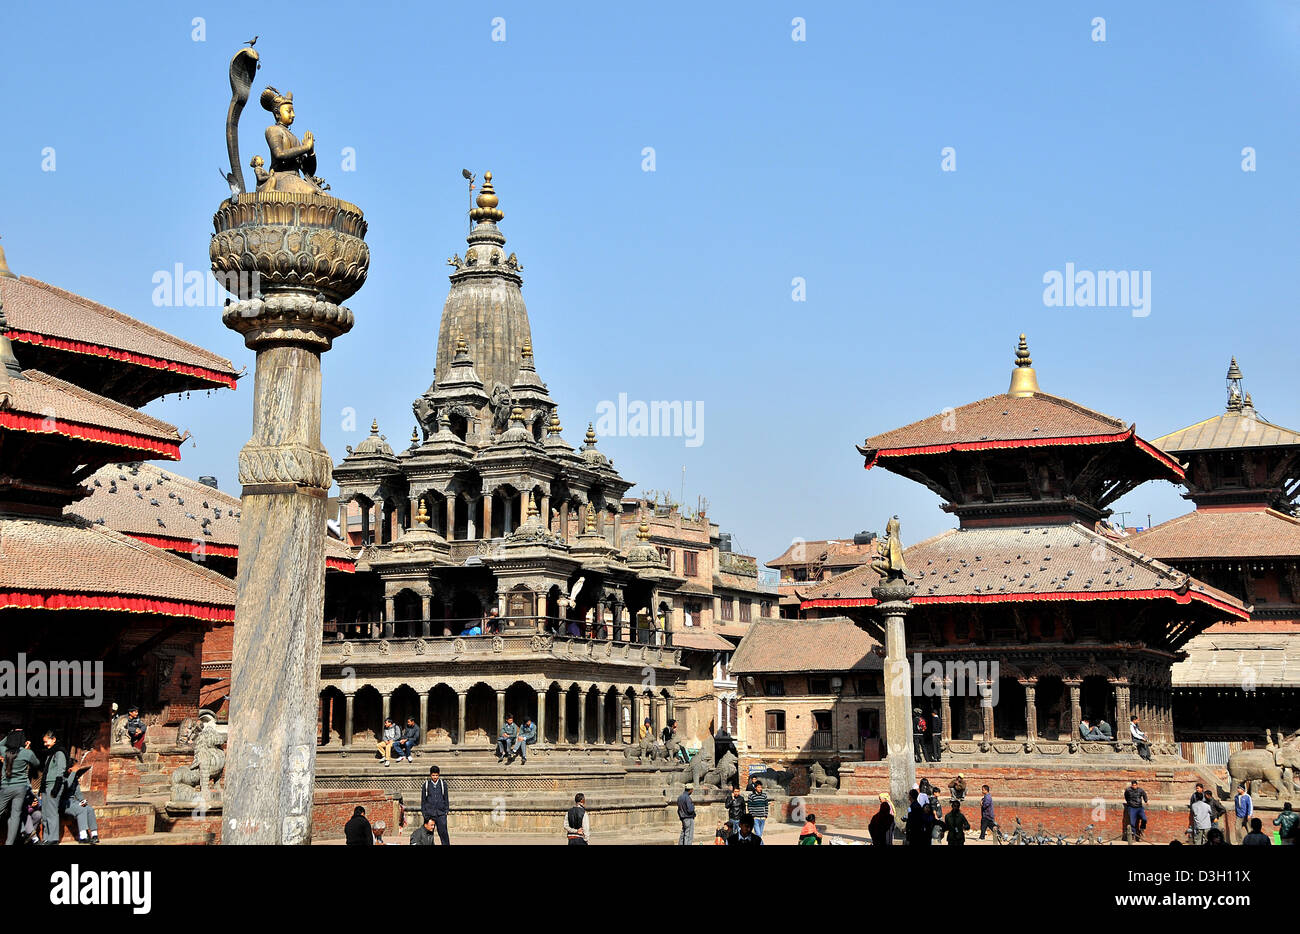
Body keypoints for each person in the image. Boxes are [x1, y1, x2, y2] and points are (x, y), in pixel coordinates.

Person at [2, 730, 40, 846]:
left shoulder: (4, 751)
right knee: (15, 816)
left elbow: (0, 744)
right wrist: (26, 749)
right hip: (21, 788)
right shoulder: (27, 753)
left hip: (5, 787)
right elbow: (37, 763)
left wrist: (10, 733)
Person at [58, 752, 98, 844]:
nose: (77, 769)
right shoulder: (62, 777)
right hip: (64, 803)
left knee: (89, 809)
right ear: (69, 769)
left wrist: (82, 800)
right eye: (75, 768)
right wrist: (73, 773)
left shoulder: (74, 777)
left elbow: (77, 792)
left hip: (73, 802)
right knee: (81, 810)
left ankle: (94, 834)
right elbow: (66, 786)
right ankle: (83, 836)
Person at [40, 731, 67, 844]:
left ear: (54, 739)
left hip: (53, 784)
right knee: (45, 813)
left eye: (47, 741)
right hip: (46, 785)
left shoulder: (59, 753)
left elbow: (61, 771)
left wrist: (56, 788)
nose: (45, 744)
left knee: (51, 812)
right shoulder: (51, 753)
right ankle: (47, 837)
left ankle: (53, 838)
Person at [420, 765, 450, 845]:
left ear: (439, 775)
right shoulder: (426, 785)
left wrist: (446, 810)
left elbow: (446, 798)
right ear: (430, 775)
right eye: (433, 775)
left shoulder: (443, 785)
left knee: (444, 834)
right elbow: (423, 800)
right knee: (428, 835)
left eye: (436, 775)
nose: (435, 777)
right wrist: (424, 813)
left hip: (441, 814)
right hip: (430, 814)